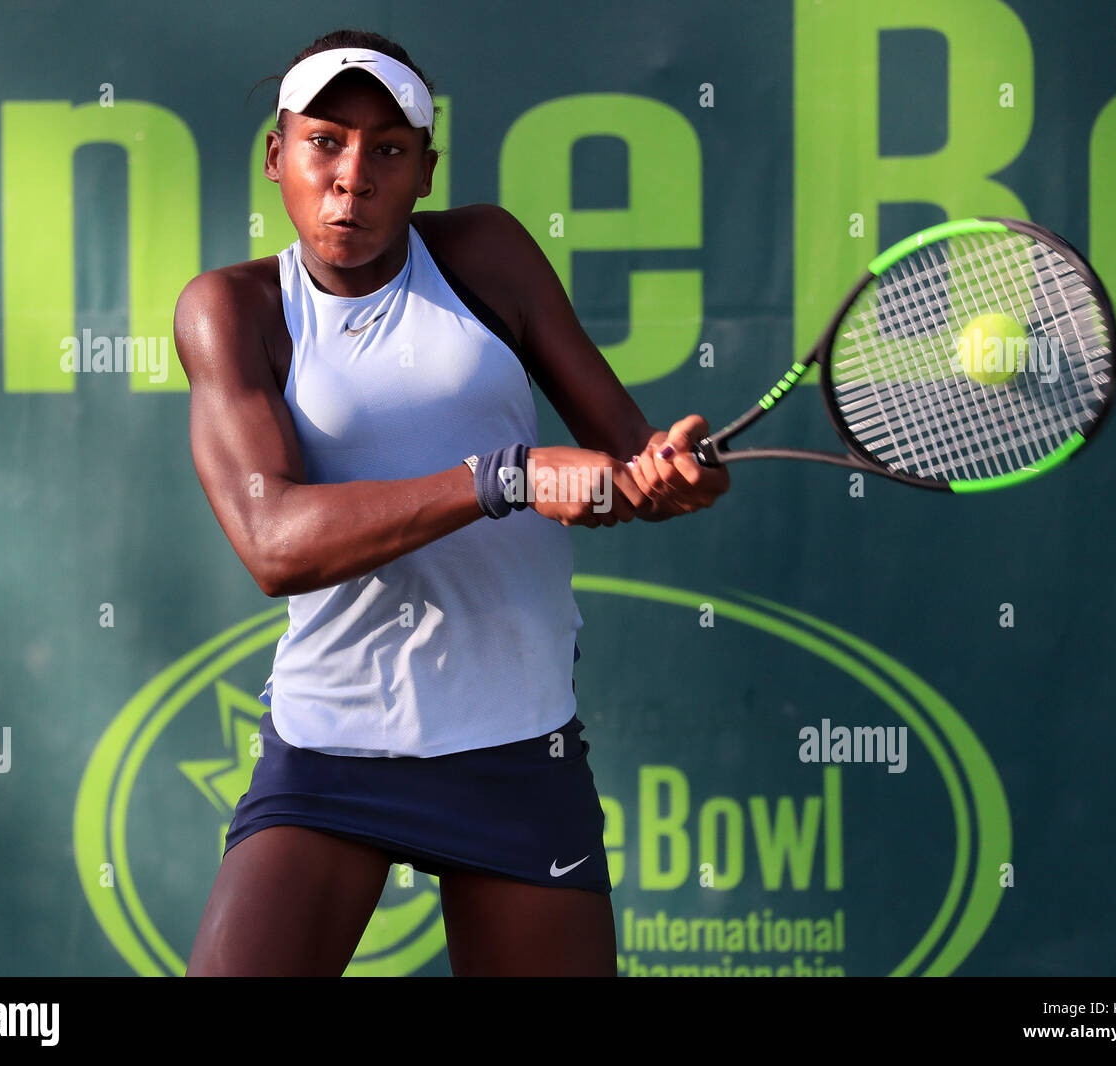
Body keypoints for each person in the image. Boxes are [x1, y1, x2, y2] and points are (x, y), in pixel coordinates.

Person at [176, 27, 729, 977]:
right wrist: (501, 476)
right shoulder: (234, 310)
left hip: (515, 742)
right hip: (331, 748)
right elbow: (274, 545)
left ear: (426, 171)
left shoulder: (488, 254)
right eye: (325, 141)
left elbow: (631, 459)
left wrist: (672, 476)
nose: (353, 176)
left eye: (388, 150)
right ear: (277, 156)